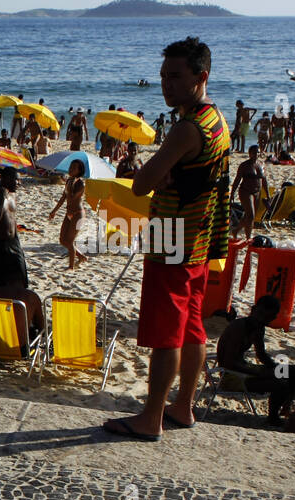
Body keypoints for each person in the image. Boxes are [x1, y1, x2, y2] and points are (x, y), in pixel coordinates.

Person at [104, 36, 230, 440]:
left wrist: (153, 171)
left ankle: (151, 417)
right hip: (199, 240)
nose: (166, 85)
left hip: (171, 240)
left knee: (165, 333)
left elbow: (140, 185)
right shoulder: (218, 121)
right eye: (162, 76)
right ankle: (183, 406)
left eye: (175, 76)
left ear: (201, 76)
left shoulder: (187, 130)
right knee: (193, 327)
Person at [216, 296, 295, 425]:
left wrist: (275, 367)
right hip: (232, 376)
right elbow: (228, 363)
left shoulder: (258, 327)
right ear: (253, 310)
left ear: (272, 318)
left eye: (267, 318)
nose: (262, 319)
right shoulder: (239, 327)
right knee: (280, 384)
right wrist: (259, 374)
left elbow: (262, 355)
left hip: (247, 370)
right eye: (261, 315)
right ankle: (273, 417)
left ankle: (286, 406)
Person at [0, 168, 44, 333]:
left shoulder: (13, 195)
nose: (19, 182)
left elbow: (12, 220)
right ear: (6, 179)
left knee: (20, 281)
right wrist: (1, 199)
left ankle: (23, 321)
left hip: (13, 243)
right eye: (16, 179)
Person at [49, 159, 87, 269]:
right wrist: (54, 211)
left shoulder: (80, 183)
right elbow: (63, 198)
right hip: (68, 213)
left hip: (78, 214)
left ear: (79, 171)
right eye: (71, 167)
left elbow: (72, 196)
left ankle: (71, 267)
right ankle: (81, 256)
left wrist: (69, 186)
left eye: (74, 168)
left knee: (70, 241)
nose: (71, 169)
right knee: (62, 240)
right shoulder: (69, 180)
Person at [230, 145, 267, 239]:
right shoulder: (244, 165)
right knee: (251, 215)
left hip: (257, 192)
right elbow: (237, 180)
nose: (256, 154)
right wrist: (232, 193)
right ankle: (248, 238)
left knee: (248, 215)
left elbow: (264, 180)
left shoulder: (261, 164)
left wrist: (268, 194)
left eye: (258, 152)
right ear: (249, 153)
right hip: (246, 192)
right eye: (254, 152)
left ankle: (236, 230)